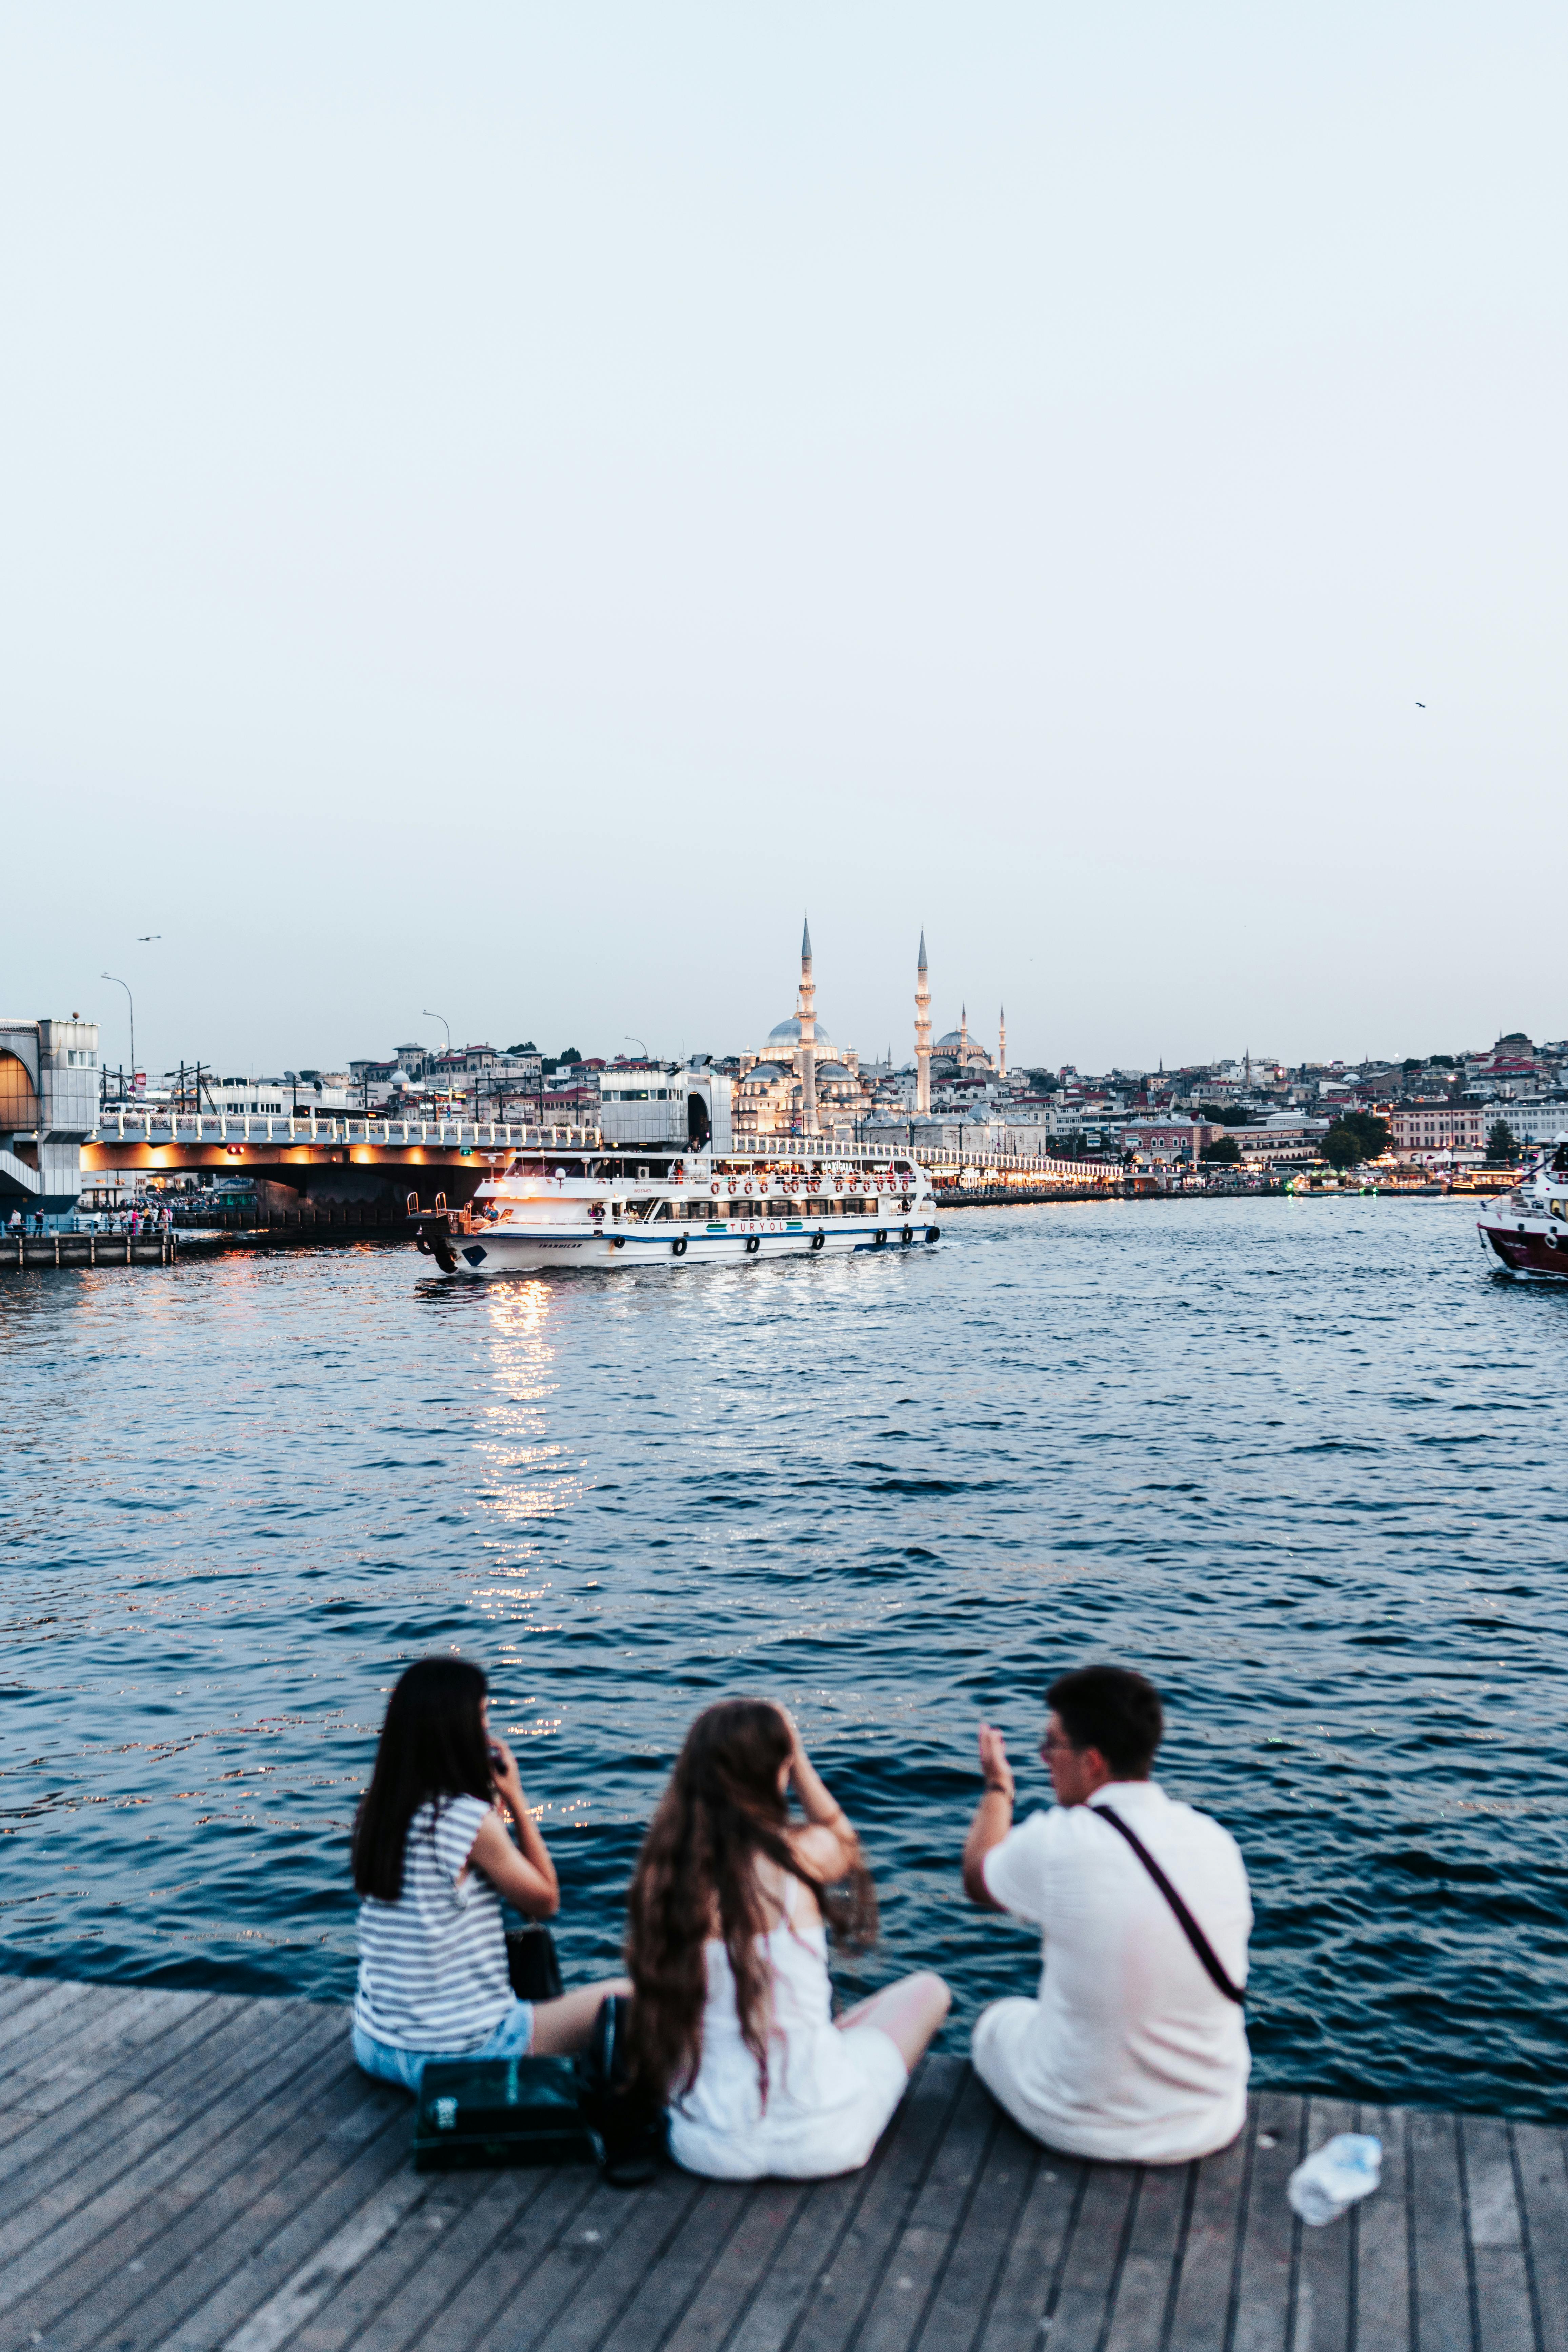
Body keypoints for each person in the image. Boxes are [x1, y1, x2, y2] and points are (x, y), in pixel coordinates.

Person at [626, 1699, 949, 2179]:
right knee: (929, 1989)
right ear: (778, 1770)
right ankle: (811, 2050)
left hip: (708, 2143)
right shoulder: (803, 1854)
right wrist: (798, 1761)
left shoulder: (666, 1877)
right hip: (826, 2136)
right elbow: (843, 1835)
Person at [962, 1664, 1251, 2165]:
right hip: (1211, 2117)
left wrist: (997, 1786)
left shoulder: (1058, 1839)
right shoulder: (1215, 1840)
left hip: (1079, 2125)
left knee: (996, 2019)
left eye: (1052, 1744)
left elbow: (978, 1879)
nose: (1043, 1756)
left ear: (1092, 1762)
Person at [350, 1656, 627, 2091]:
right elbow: (545, 1902)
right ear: (455, 1730)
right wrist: (516, 1800)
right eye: (481, 1716)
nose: (486, 1730)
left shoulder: (373, 1815)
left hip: (375, 2046)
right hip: (458, 2053)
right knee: (634, 2001)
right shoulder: (467, 1820)